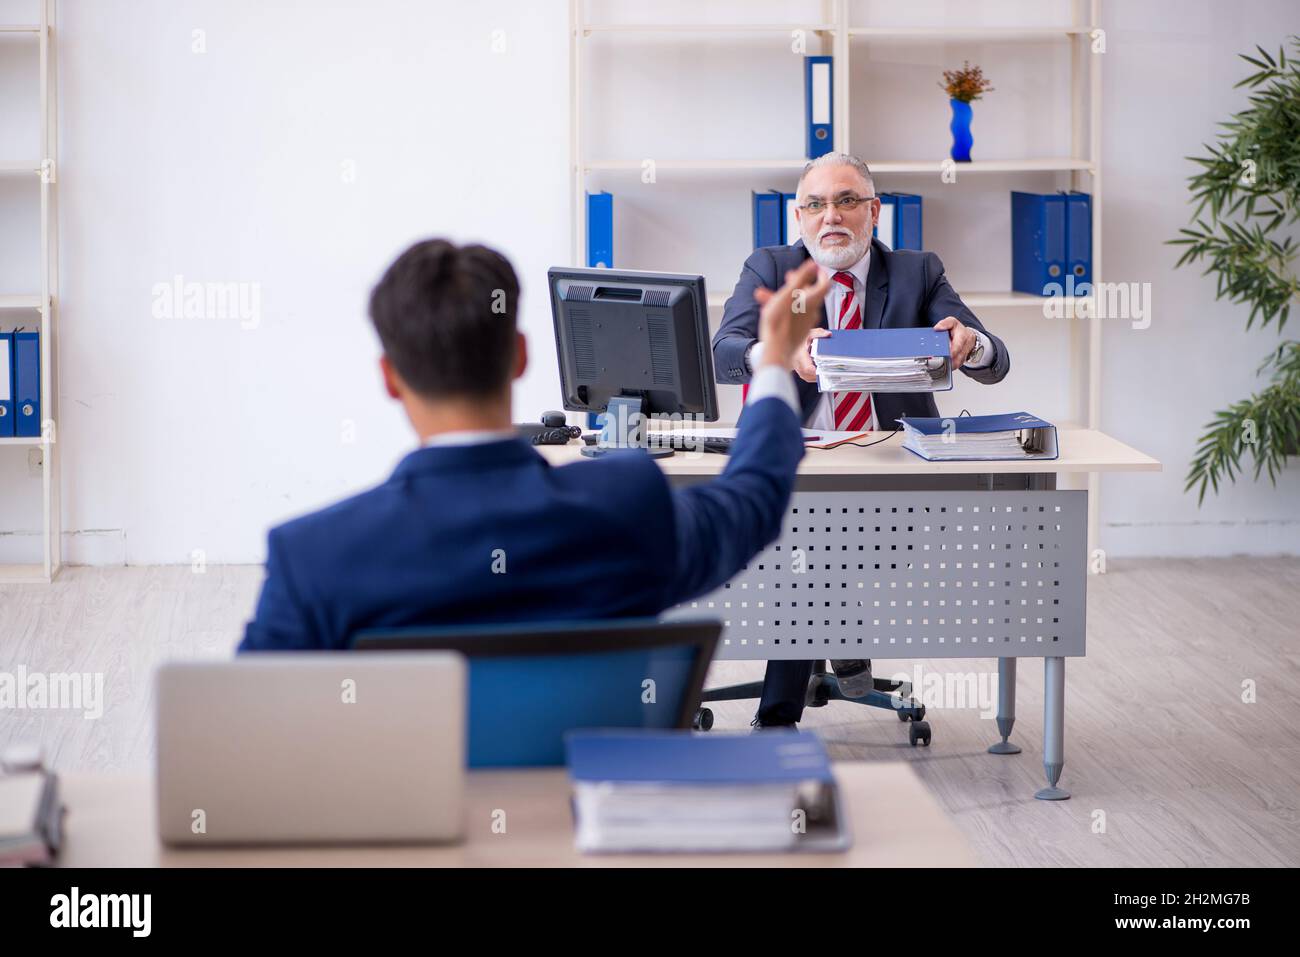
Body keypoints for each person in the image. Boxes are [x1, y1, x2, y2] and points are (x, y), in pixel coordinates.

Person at [239, 238, 831, 653]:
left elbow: (241, 744)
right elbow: (752, 499)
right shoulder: (625, 504)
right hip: (585, 817)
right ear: (521, 355)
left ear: (390, 377)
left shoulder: (312, 556)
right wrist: (775, 359)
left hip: (415, 827)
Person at [713, 151, 1012, 728]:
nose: (832, 216)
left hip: (890, 471)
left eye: (848, 201)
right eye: (816, 204)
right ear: (798, 218)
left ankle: (779, 717)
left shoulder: (916, 272)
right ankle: (809, 679)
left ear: (874, 211)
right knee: (812, 546)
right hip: (794, 466)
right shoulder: (771, 268)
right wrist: (777, 351)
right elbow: (725, 352)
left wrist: (969, 343)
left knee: (812, 551)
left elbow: (992, 360)